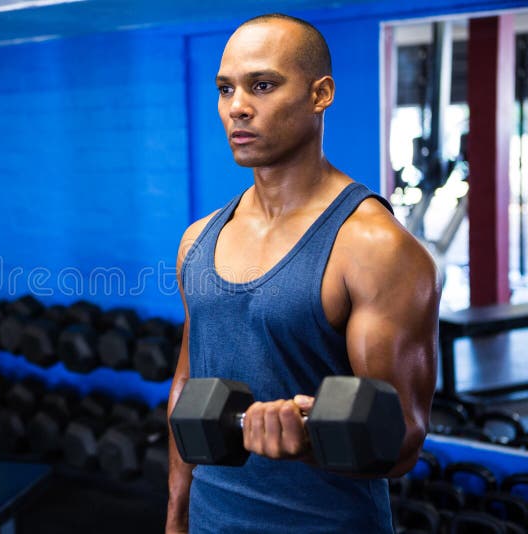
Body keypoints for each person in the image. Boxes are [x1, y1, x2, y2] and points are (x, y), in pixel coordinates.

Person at [166, 13, 439, 534]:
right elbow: (186, 388)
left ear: (321, 94)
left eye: (262, 85)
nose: (237, 107)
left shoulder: (374, 247)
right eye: (226, 89)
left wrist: (307, 445)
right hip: (211, 520)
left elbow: (402, 438)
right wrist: (177, 514)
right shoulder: (197, 241)